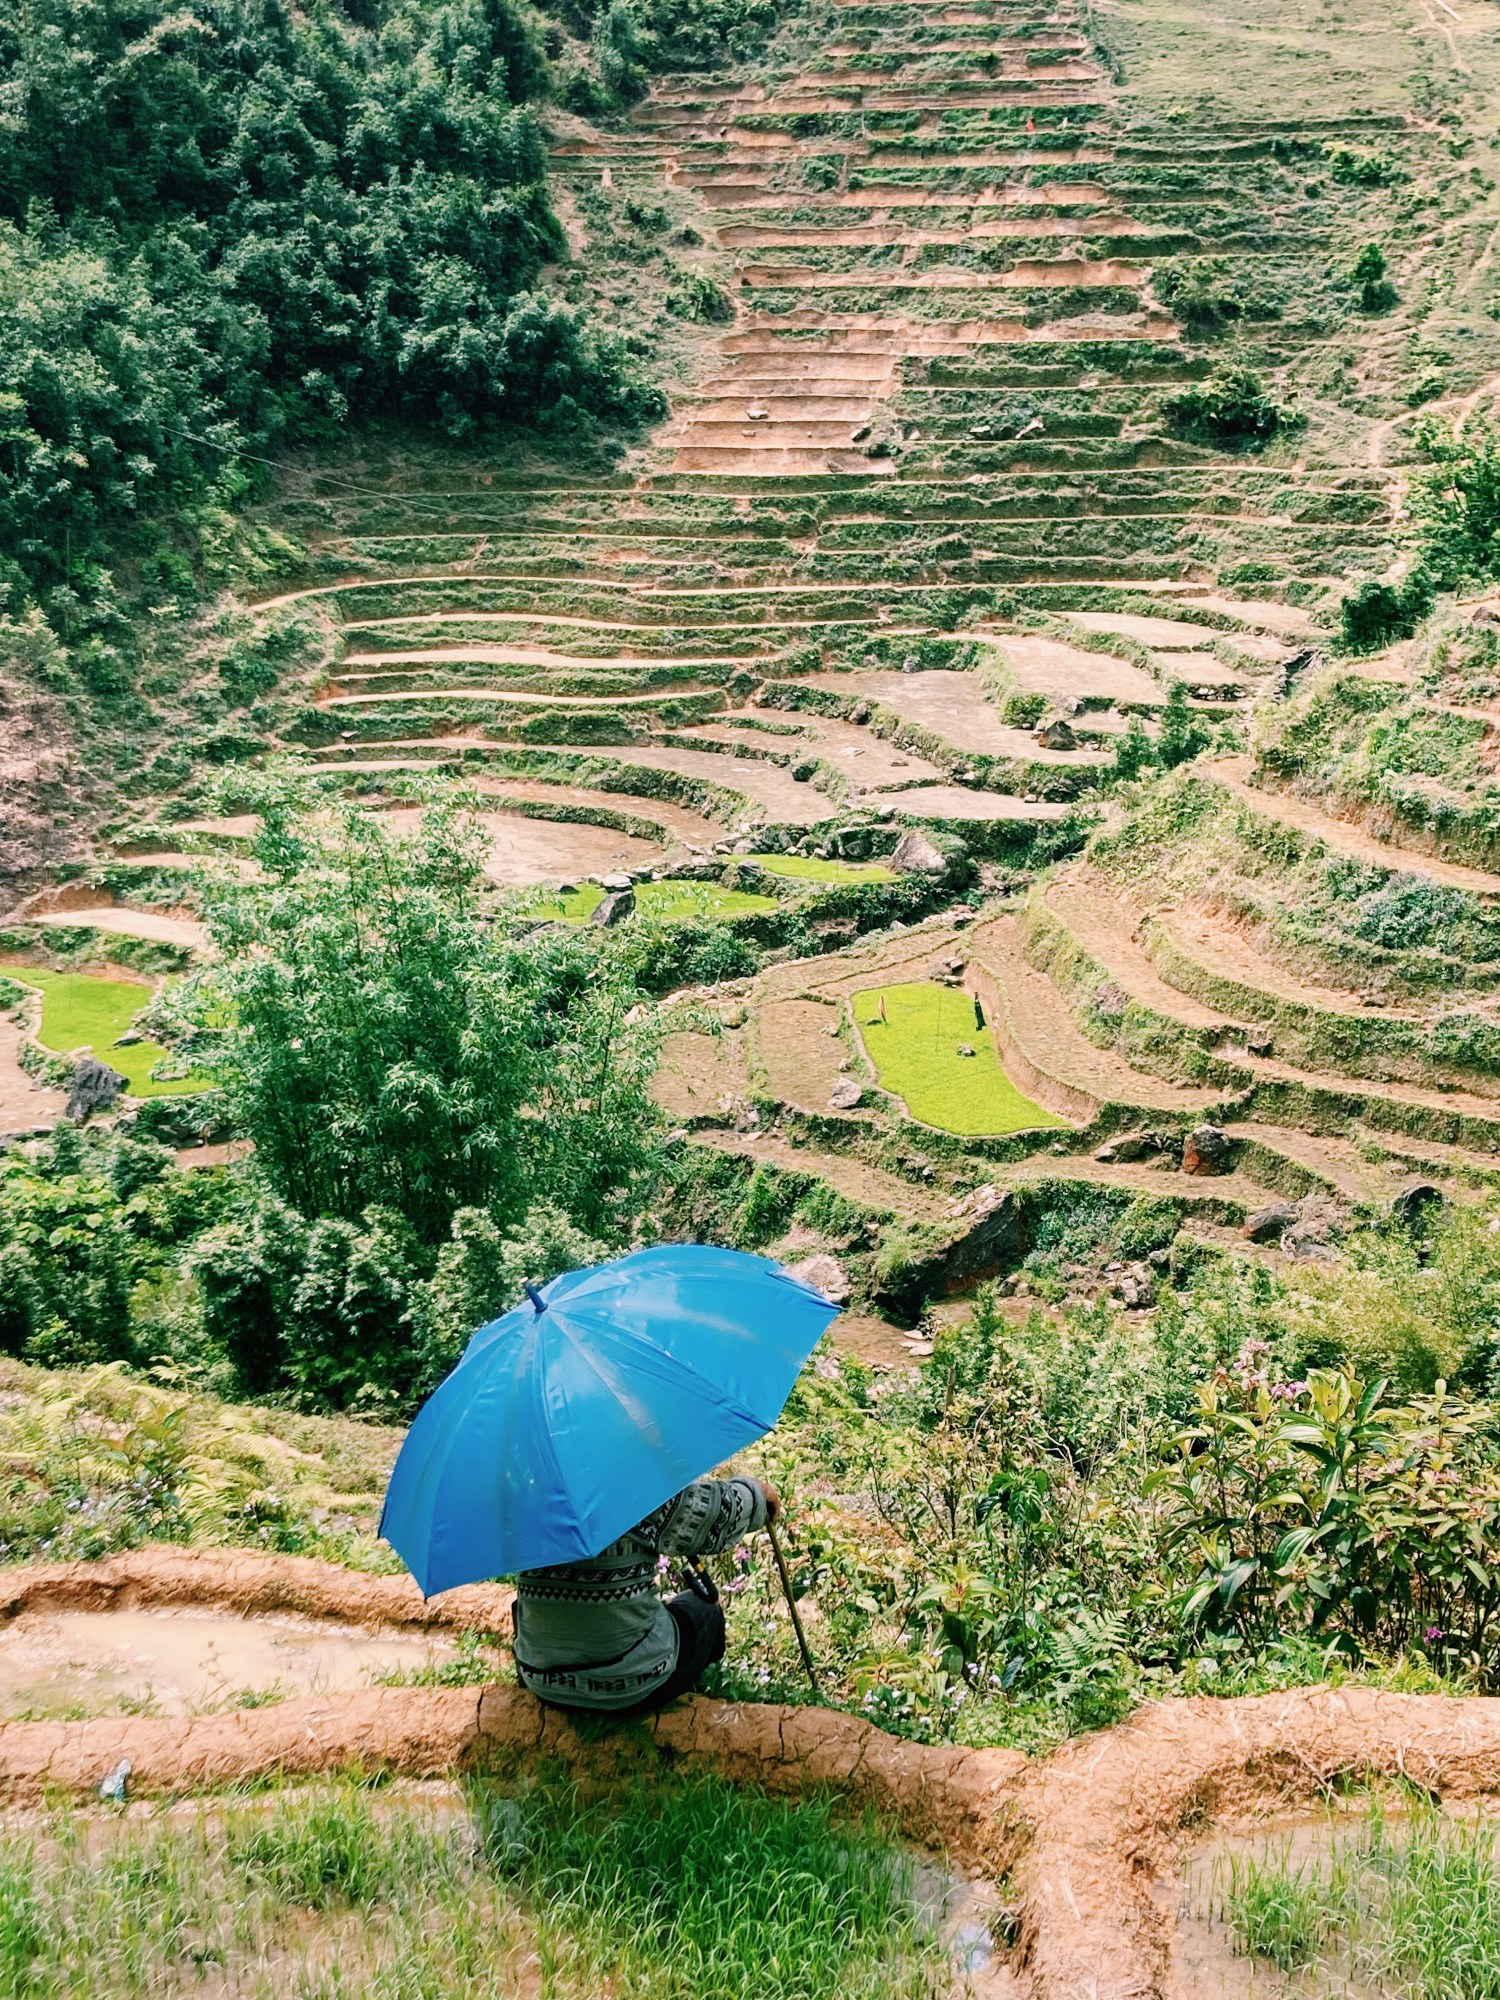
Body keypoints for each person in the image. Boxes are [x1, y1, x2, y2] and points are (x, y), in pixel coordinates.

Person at [512, 1474, 780, 1717]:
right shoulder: (628, 1481)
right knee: (703, 1609)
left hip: (542, 1679)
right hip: (633, 1683)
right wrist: (756, 1493)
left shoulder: (525, 1489)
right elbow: (717, 1514)